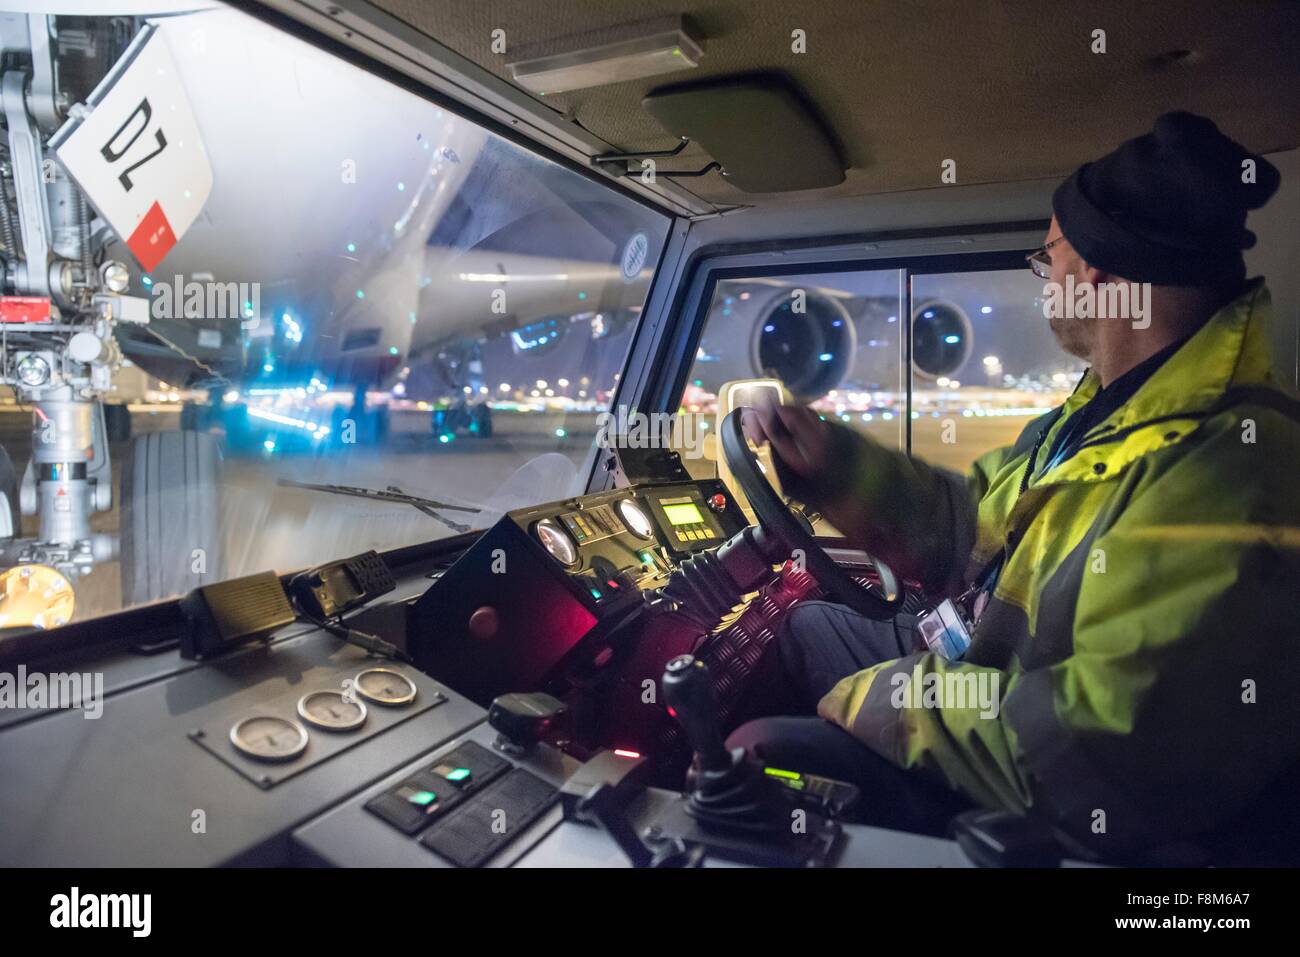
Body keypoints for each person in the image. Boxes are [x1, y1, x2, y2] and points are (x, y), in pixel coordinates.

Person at [729, 112, 1300, 864]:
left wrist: (897, 701)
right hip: (993, 665)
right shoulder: (1100, 413)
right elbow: (966, 525)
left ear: (1098, 272)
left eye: (1050, 256)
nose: (1047, 276)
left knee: (751, 747)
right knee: (806, 628)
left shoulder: (1227, 468)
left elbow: (1109, 743)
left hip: (1065, 790)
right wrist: (833, 464)